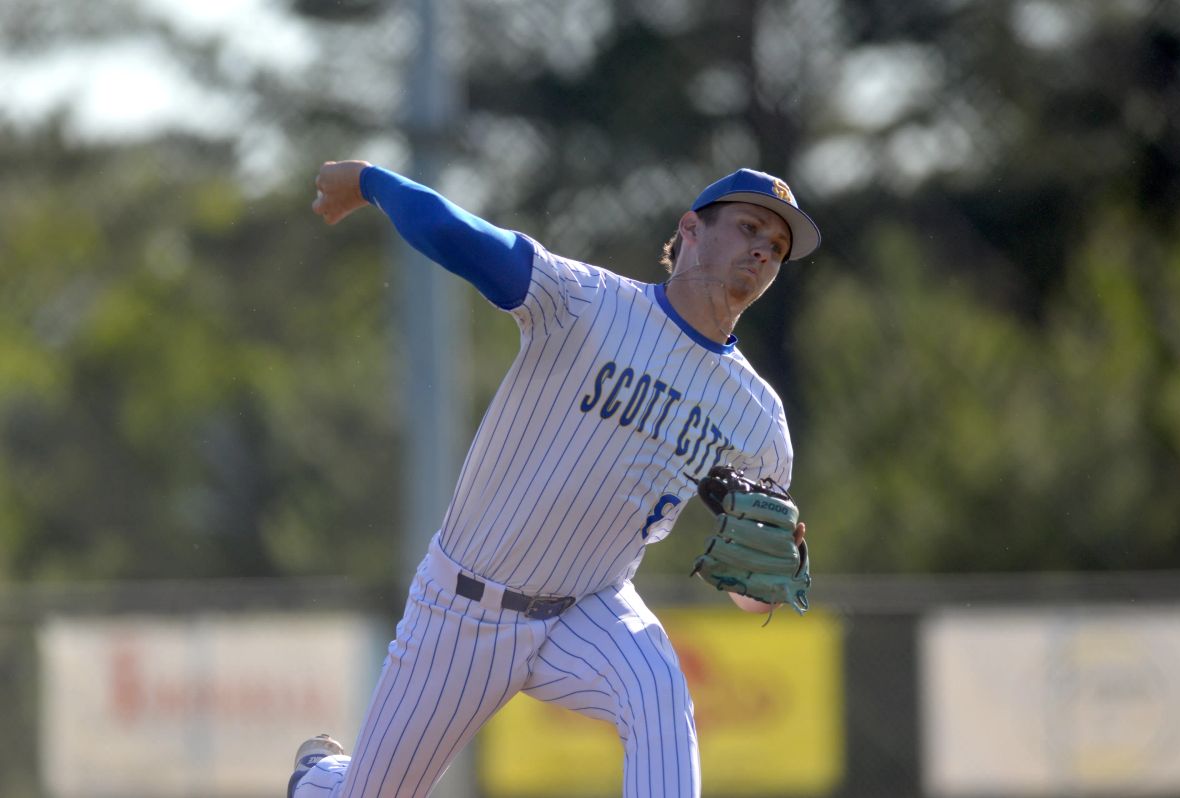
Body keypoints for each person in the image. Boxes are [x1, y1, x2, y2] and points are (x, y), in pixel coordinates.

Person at [291, 162, 821, 798]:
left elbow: (752, 594)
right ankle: (318, 782)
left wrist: (771, 572)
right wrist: (375, 182)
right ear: (691, 230)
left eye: (779, 246)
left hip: (588, 606)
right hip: (465, 608)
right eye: (749, 226)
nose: (764, 248)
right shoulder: (583, 303)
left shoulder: (758, 420)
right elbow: (462, 237)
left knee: (657, 690)